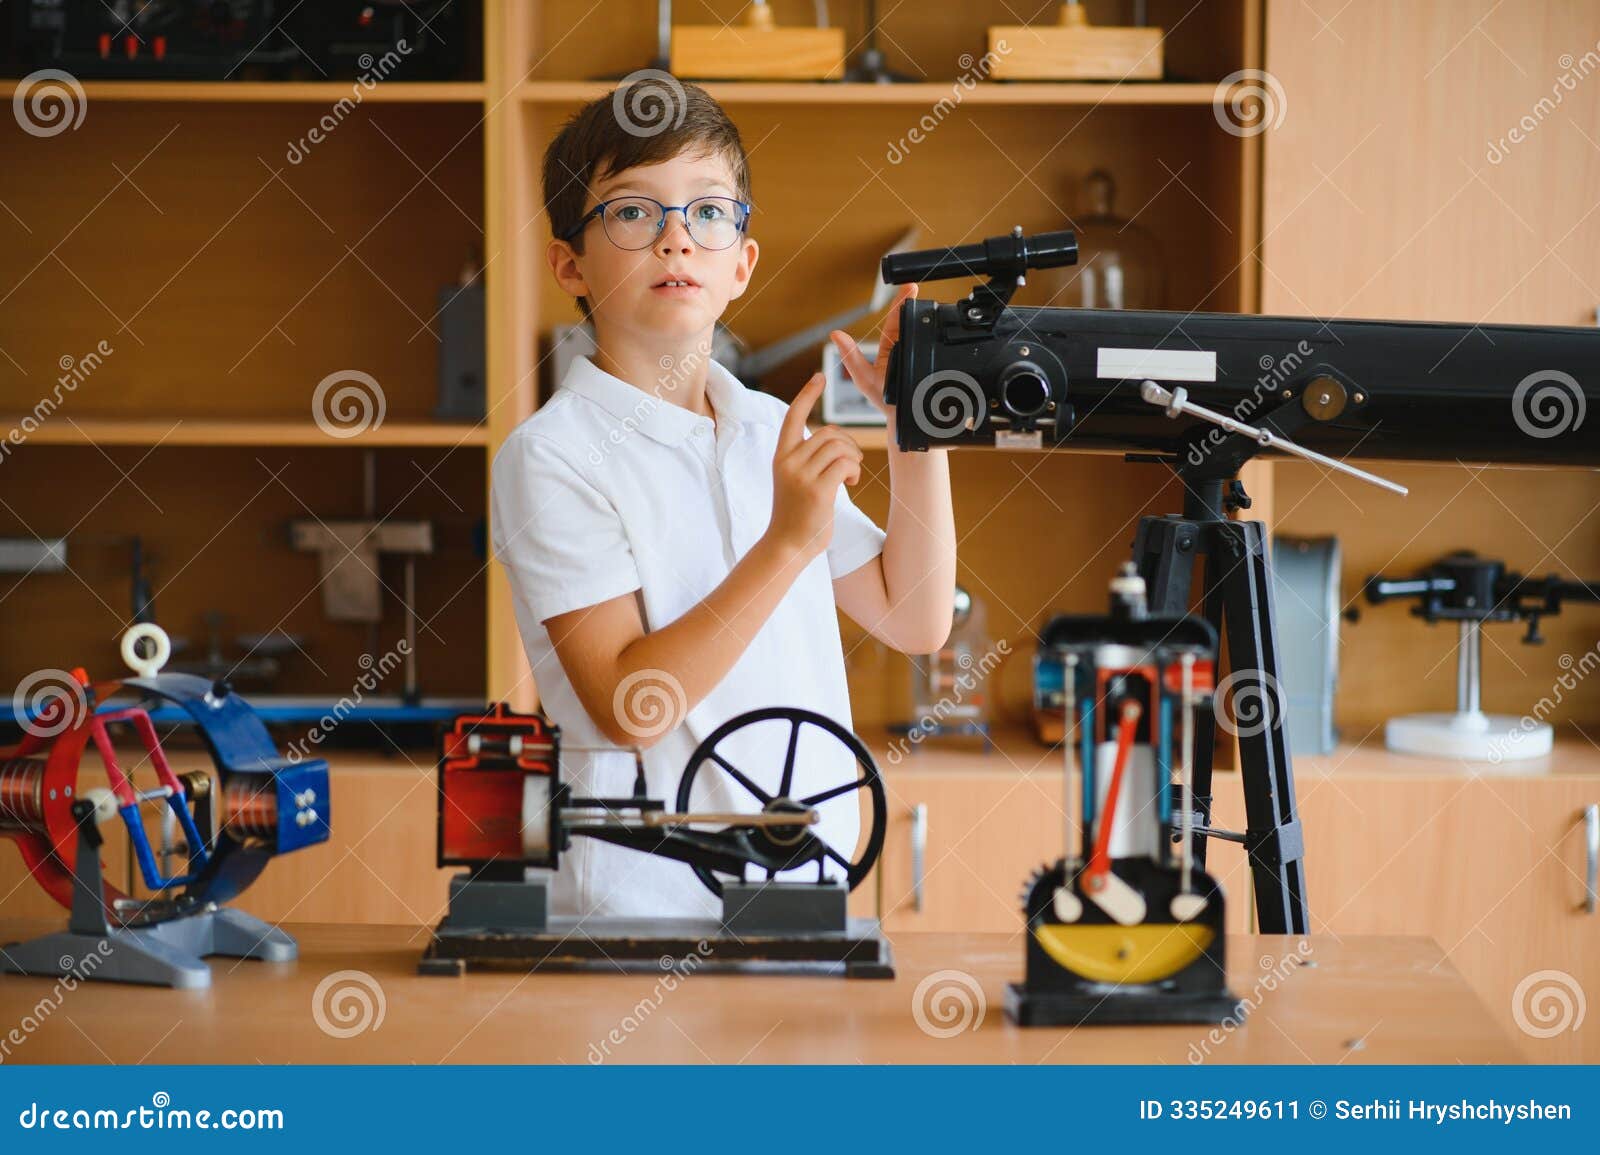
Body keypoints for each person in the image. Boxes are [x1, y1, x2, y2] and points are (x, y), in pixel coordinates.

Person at [490, 80, 955, 918]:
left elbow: (914, 617)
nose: (677, 240)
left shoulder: (767, 427)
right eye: (633, 213)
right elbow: (634, 706)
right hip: (641, 912)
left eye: (708, 213)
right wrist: (784, 545)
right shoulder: (550, 456)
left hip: (806, 887)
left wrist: (916, 427)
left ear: (740, 262)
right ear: (570, 264)